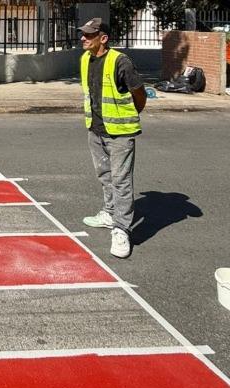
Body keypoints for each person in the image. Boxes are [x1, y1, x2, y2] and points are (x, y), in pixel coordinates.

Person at [78, 18, 147, 259]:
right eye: (83, 35)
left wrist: (131, 114)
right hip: (95, 128)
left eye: (89, 35)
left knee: (121, 180)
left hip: (121, 132)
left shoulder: (120, 61)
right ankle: (109, 213)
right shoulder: (85, 59)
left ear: (103, 38)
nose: (83, 39)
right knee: (105, 175)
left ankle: (122, 229)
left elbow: (139, 93)